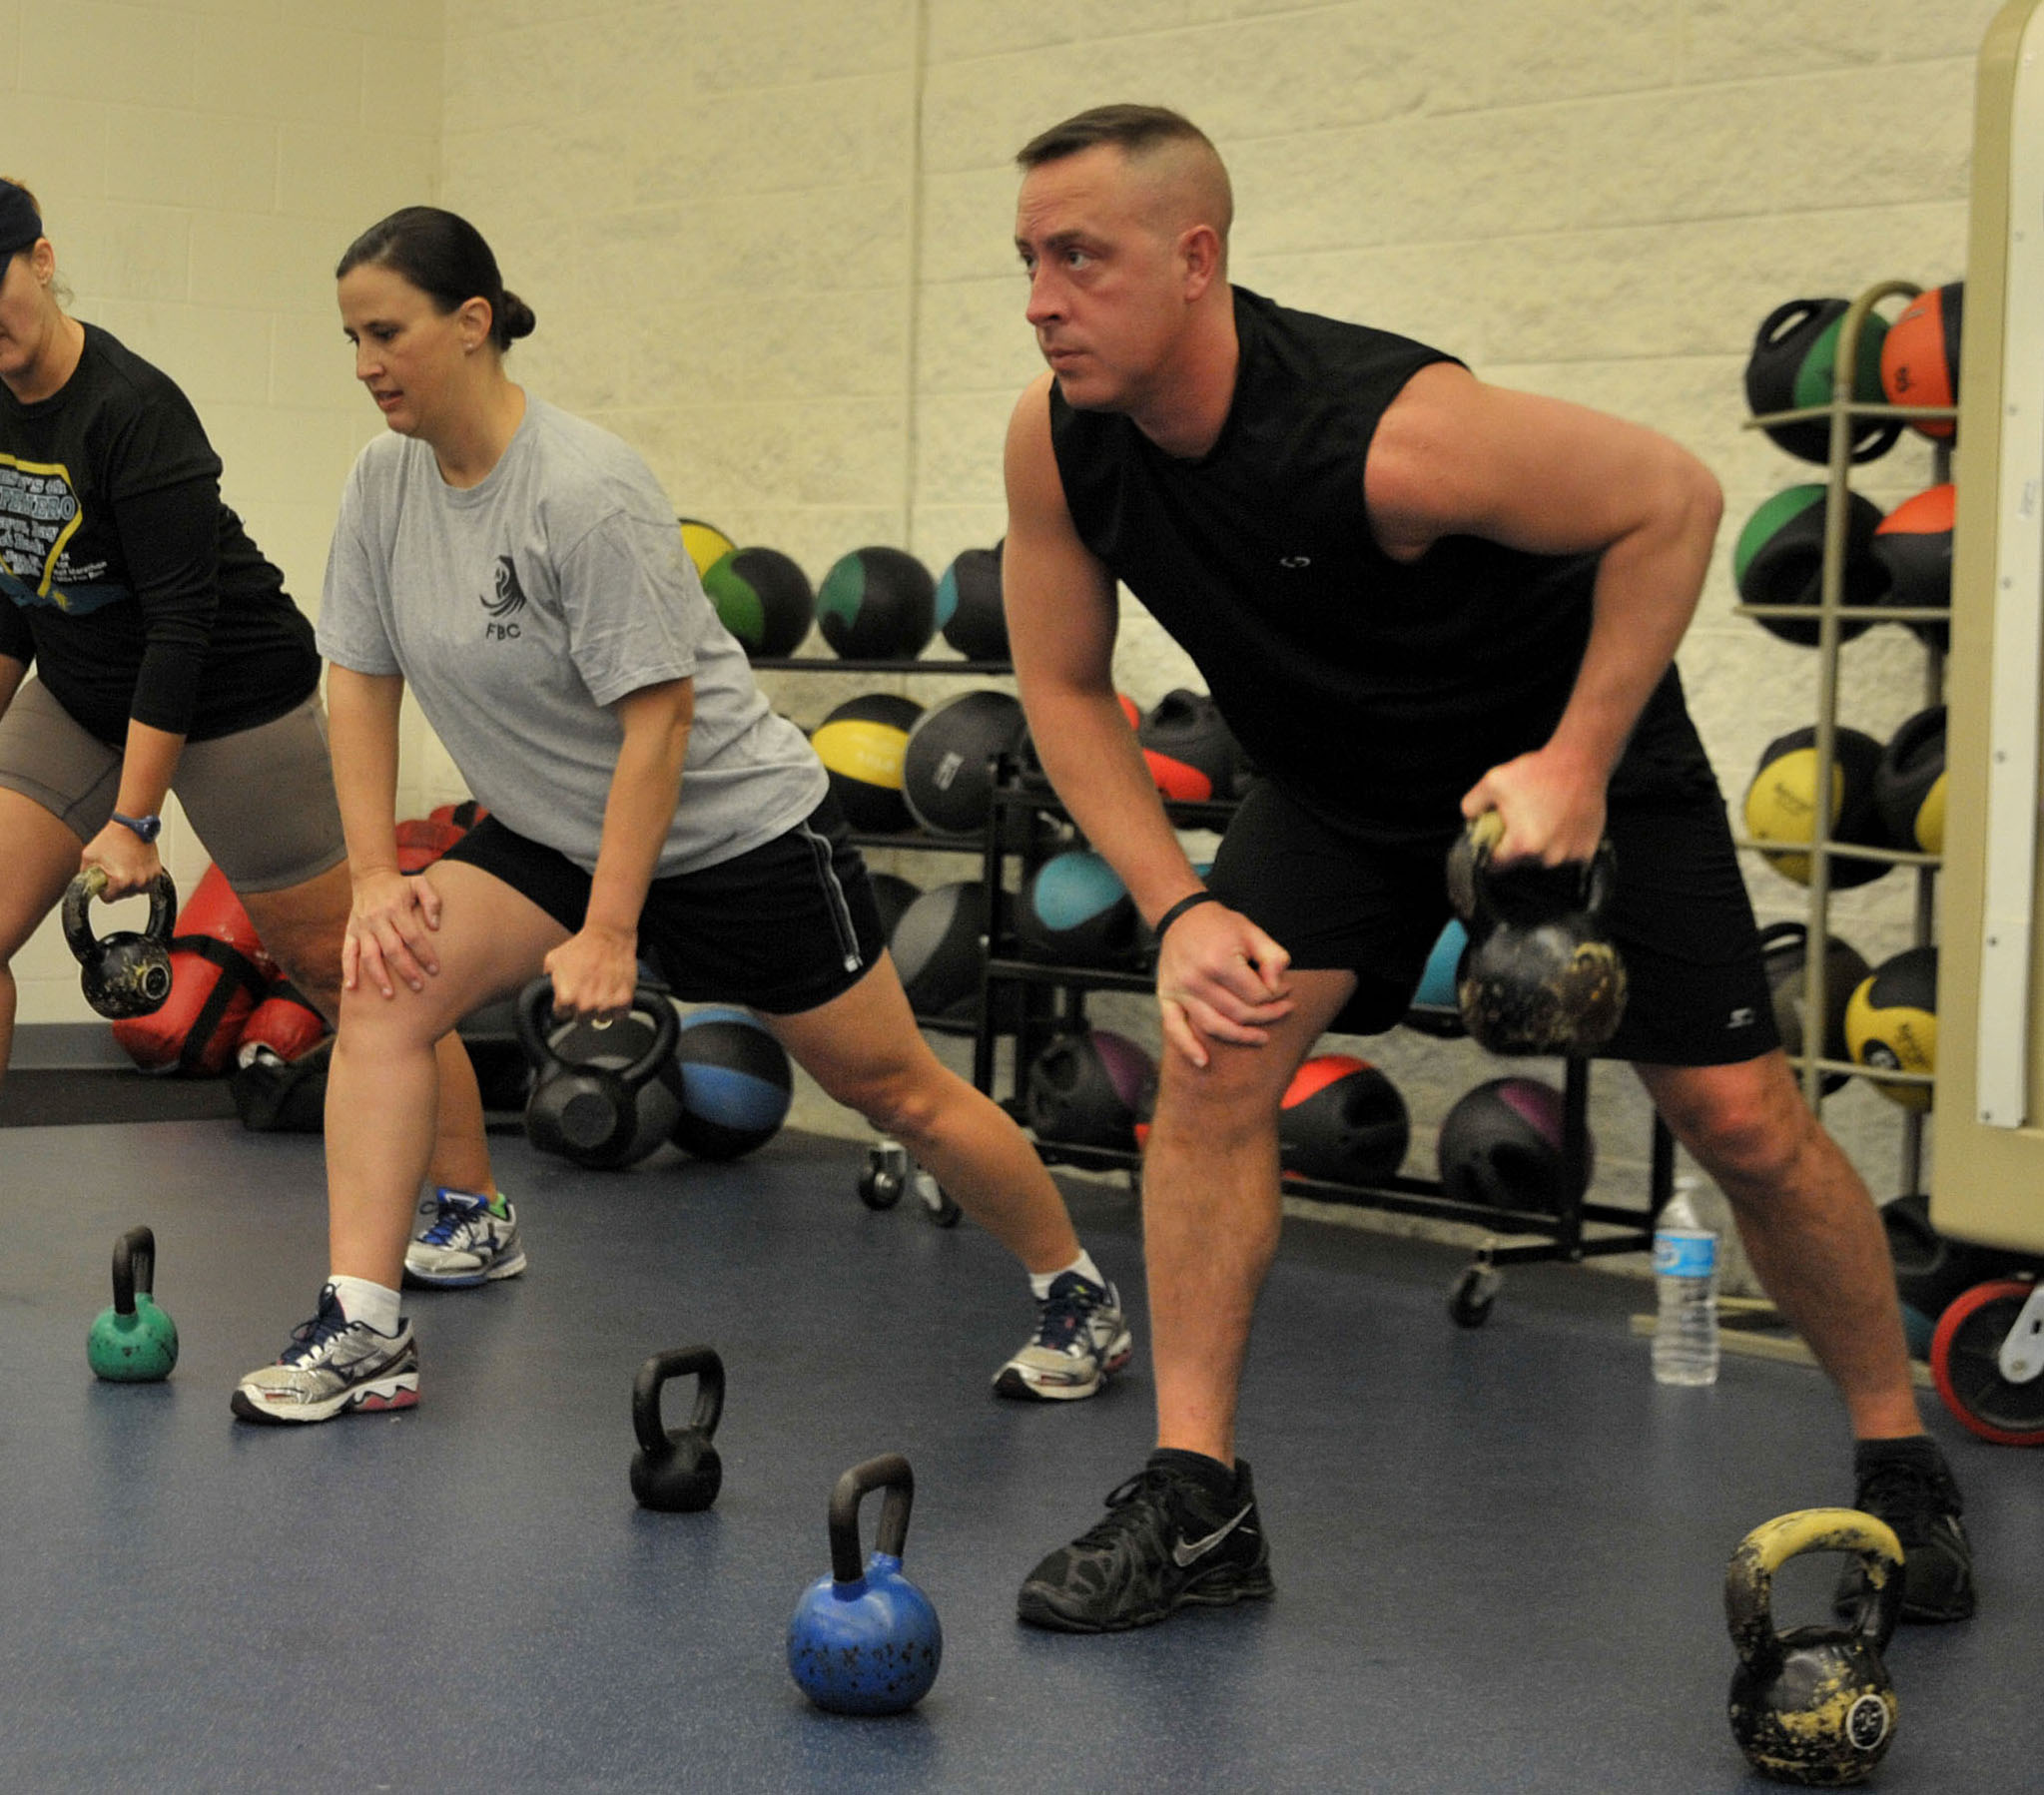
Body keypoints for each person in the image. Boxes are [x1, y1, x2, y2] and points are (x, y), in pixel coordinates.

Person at [1000, 105, 1974, 1633]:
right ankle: (1197, 1500)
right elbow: (1061, 687)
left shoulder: (1387, 428)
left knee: (1740, 1118)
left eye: (1079, 257)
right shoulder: (1057, 439)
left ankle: (1897, 1452)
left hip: (1558, 765)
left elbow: (1671, 499)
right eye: (1028, 261)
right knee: (1207, 1062)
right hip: (1330, 784)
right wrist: (1175, 907)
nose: (1043, 297)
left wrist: (1576, 761)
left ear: (1194, 260)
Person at [229, 205, 1124, 1423]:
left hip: (736, 839)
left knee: (896, 1090)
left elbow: (659, 724)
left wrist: (610, 929)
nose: (364, 364)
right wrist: (376, 877)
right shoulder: (383, 485)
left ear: (473, 323)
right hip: (548, 828)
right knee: (385, 981)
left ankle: (1074, 1290)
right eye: (350, 337)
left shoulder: (584, 491)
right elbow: (359, 679)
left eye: (385, 332)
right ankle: (366, 1324)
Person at [0, 172, 364, 1304]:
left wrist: (135, 819)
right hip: (83, 683)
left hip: (231, 689)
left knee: (349, 969)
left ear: (43, 260)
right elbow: (17, 575)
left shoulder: (132, 409)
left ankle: (468, 1206)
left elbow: (183, 624)